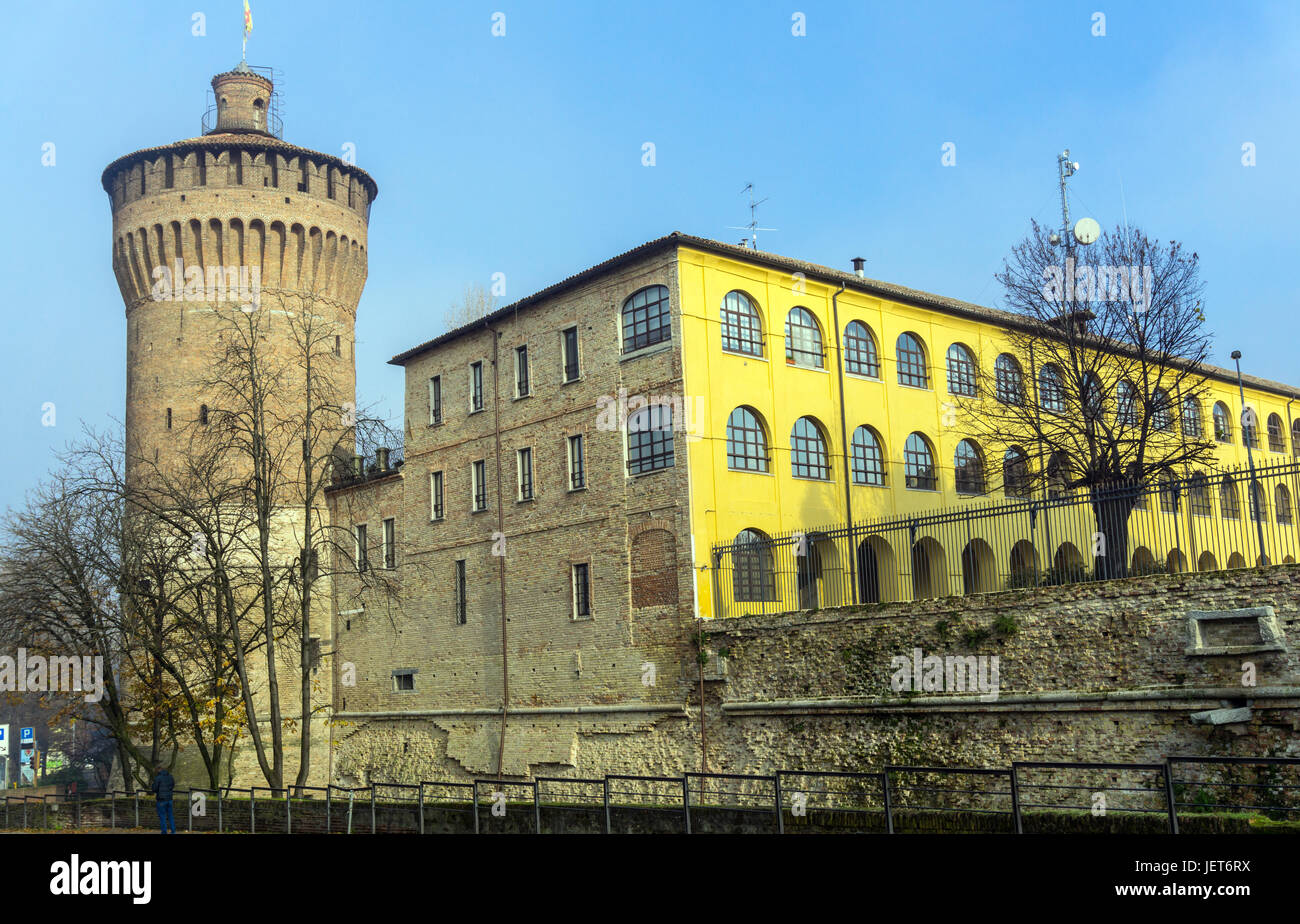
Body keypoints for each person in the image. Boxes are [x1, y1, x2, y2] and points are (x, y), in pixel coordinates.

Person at [151, 765, 176, 834]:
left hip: (161, 800)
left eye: (155, 771)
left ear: (158, 770)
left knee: (162, 816)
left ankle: (164, 832)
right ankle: (173, 831)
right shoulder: (170, 776)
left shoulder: (158, 778)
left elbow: (154, 789)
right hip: (169, 799)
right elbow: (173, 785)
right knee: (170, 815)